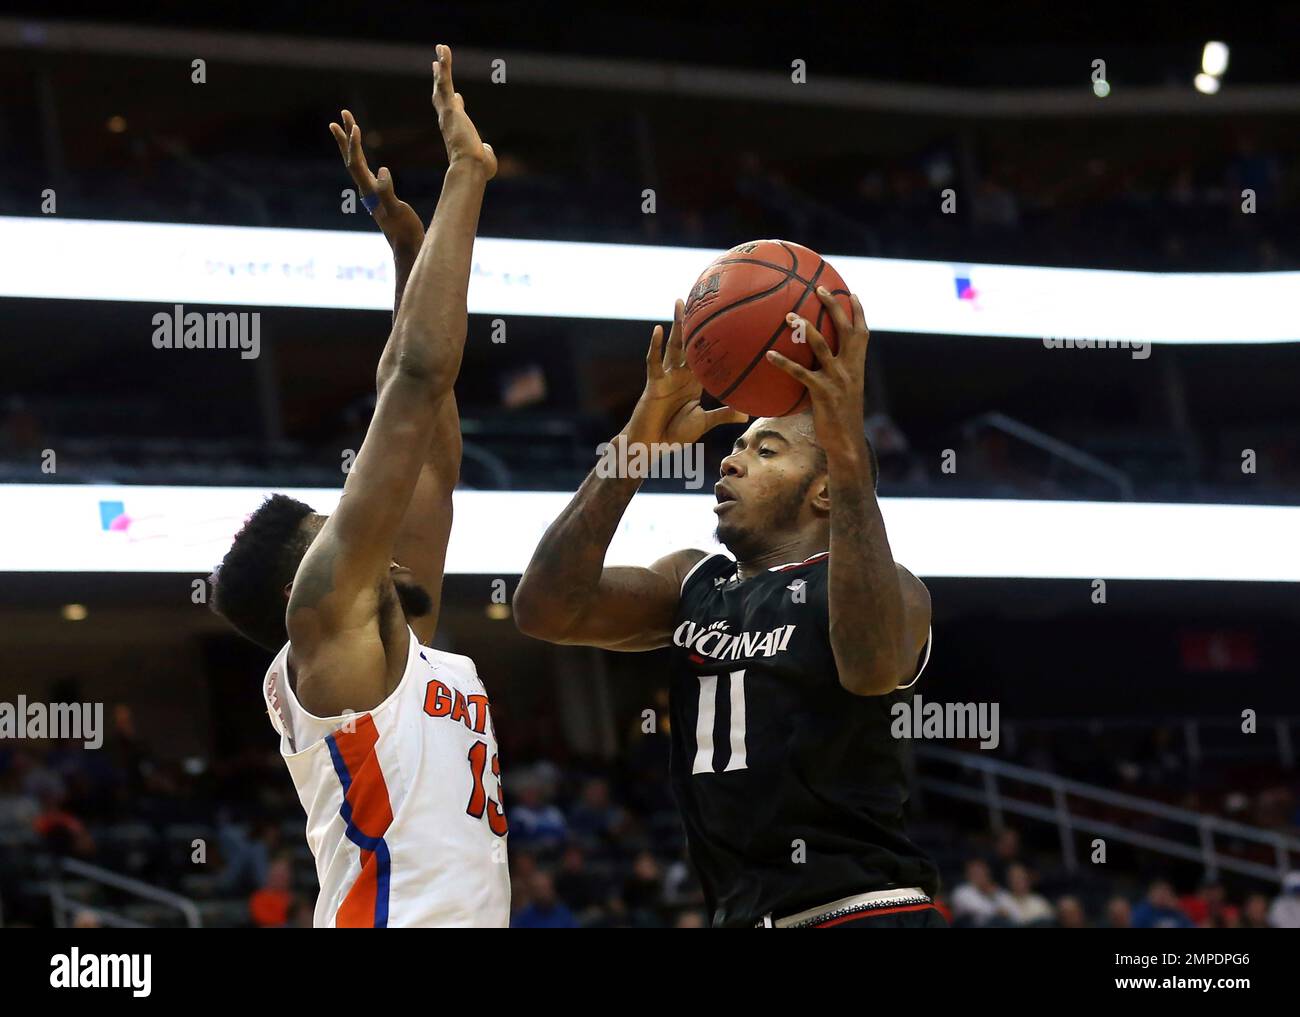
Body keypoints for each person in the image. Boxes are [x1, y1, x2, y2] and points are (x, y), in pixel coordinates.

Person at [515, 289, 939, 928]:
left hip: (860, 911)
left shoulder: (892, 587)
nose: (733, 459)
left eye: (766, 450)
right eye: (739, 447)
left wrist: (848, 442)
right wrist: (638, 442)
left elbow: (871, 666)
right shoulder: (693, 580)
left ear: (825, 489)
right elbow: (545, 609)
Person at [210, 46, 507, 927]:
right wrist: (465, 177)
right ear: (305, 584)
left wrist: (408, 251)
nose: (354, 518)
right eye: (330, 525)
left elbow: (434, 459)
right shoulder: (328, 633)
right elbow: (412, 381)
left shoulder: (389, 639)